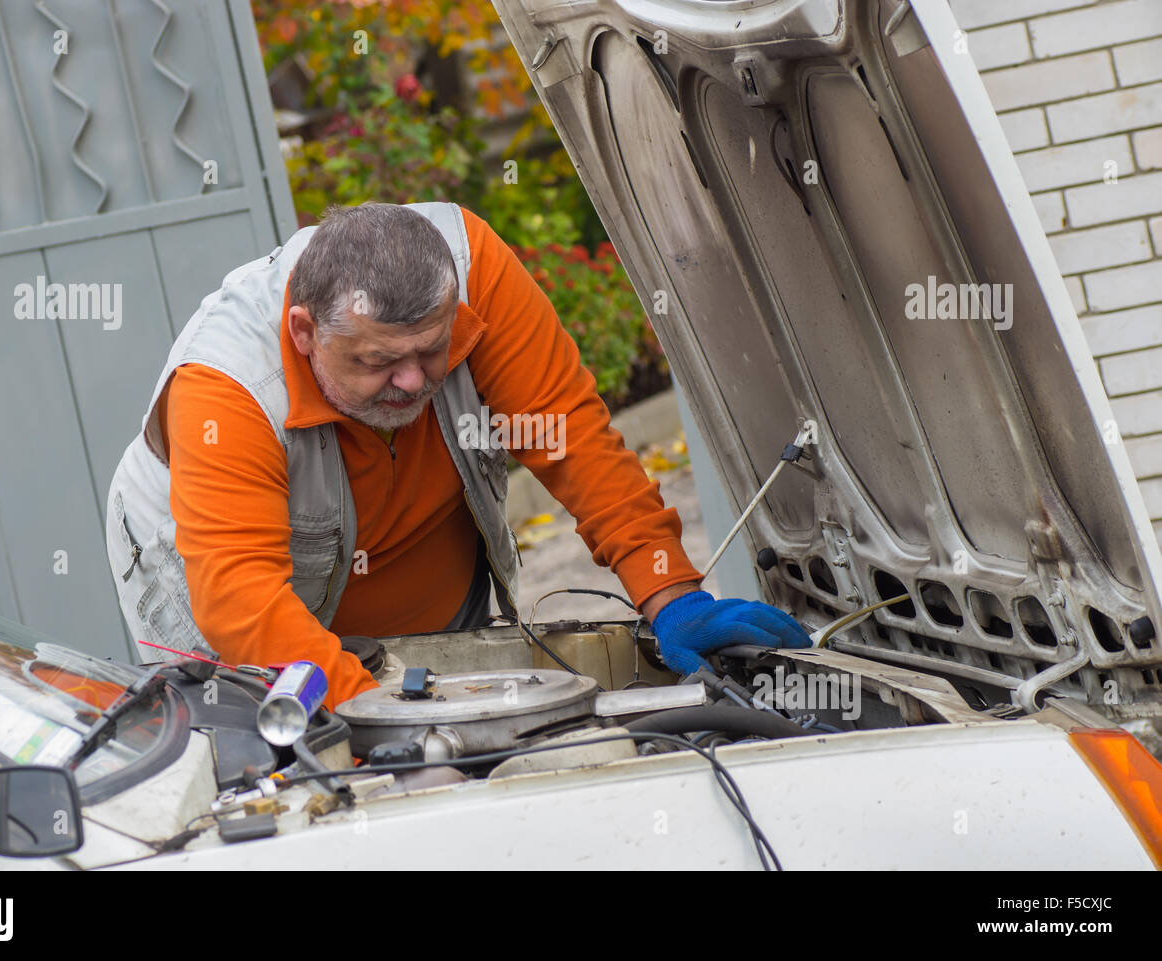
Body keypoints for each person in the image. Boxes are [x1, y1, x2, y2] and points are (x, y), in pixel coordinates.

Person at [105, 202, 808, 710]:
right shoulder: (225, 389)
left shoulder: (473, 270)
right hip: (218, 579)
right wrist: (380, 722)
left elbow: (571, 438)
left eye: (431, 351)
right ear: (303, 331)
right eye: (380, 361)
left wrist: (671, 592)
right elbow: (241, 599)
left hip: (414, 562)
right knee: (272, 759)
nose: (414, 382)